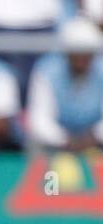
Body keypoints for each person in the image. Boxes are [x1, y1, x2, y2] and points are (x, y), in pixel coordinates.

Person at [26, 16, 103, 152]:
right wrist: (64, 140)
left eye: (87, 53)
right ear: (67, 52)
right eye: (77, 52)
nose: (82, 58)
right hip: (56, 144)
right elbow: (39, 119)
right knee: (33, 143)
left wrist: (92, 137)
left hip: (96, 142)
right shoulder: (47, 70)